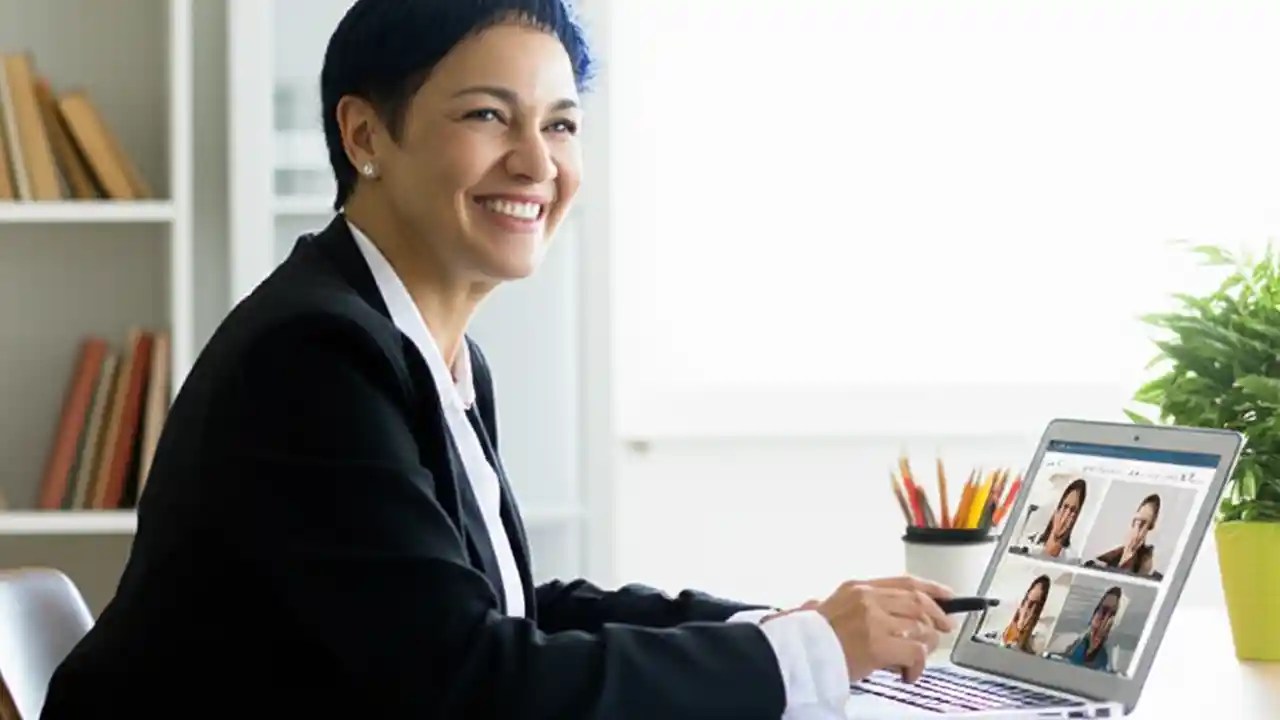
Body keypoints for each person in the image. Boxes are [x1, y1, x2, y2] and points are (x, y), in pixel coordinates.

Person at [39, 2, 955, 718]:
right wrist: (807, 655)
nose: (536, 162)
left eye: (560, 126)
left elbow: (507, 609)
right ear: (364, 138)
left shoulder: (423, 347)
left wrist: (782, 627)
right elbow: (472, 683)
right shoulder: (313, 356)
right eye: (488, 115)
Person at [1089, 494, 1161, 577]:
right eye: (1135, 522)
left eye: (1142, 524)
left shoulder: (1146, 564)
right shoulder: (1106, 558)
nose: (1136, 529)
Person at [1022, 478, 1087, 562]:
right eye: (1065, 507)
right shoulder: (1029, 545)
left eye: (1073, 511)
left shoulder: (1071, 559)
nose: (1066, 515)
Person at [1062, 587, 1122, 672]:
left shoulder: (1110, 656)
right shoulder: (1073, 641)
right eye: (1104, 610)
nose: (1105, 618)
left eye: (1112, 614)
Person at [995, 574, 1051, 654]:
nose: (1028, 609)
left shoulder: (1037, 637)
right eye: (1027, 602)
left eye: (1034, 606)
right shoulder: (1005, 626)